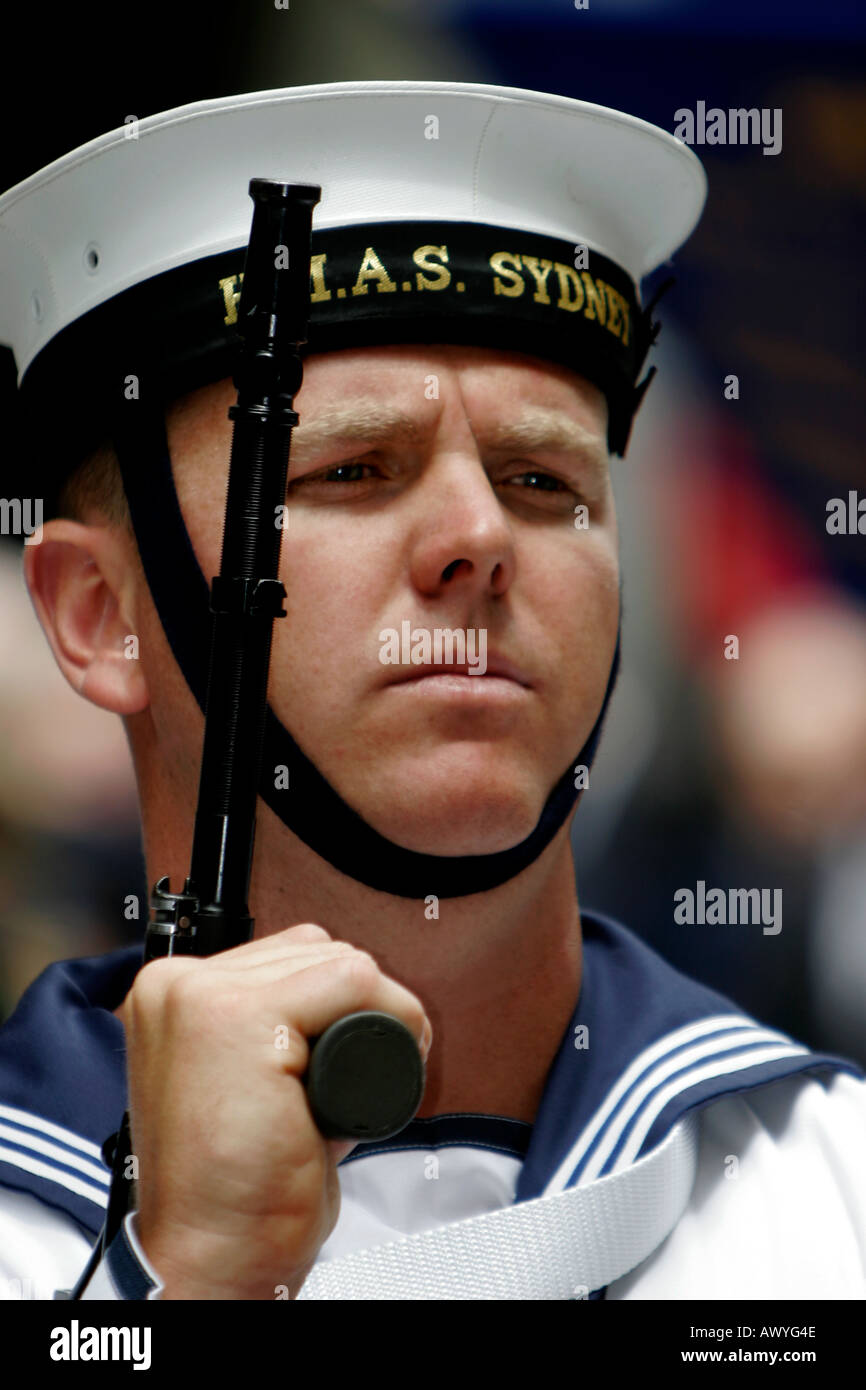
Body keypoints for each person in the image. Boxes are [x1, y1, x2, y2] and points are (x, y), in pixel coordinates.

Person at [0, 81, 863, 1301]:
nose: (477, 535)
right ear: (99, 617)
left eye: (539, 478)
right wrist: (195, 1283)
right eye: (351, 469)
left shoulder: (837, 1187)